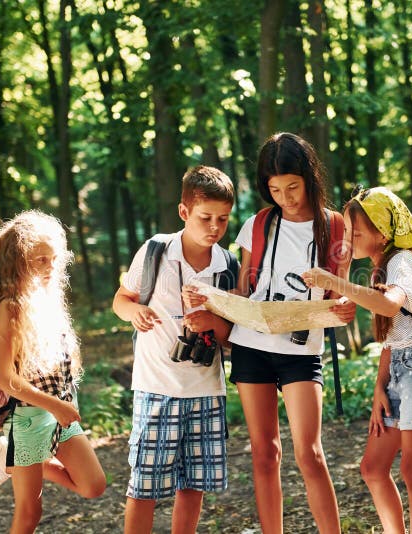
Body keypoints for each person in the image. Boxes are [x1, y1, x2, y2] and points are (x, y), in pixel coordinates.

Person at [302, 186, 412, 534]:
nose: (350, 238)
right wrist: (379, 388)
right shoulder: (380, 270)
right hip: (401, 364)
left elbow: (389, 305)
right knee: (372, 467)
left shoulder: (403, 262)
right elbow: (389, 338)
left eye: (357, 232)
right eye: (349, 231)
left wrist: (333, 282)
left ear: (383, 233)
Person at [227, 132, 355, 534]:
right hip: (252, 345)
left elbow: (342, 294)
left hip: (302, 349)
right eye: (275, 189)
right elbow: (245, 287)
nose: (285, 197)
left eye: (293, 187)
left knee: (309, 452)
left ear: (310, 178)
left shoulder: (335, 227)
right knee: (265, 453)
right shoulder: (259, 224)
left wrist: (346, 309)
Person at [112, 165, 236, 534]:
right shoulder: (155, 251)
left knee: (194, 485)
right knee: (144, 486)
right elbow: (122, 299)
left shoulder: (227, 265)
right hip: (155, 388)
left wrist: (210, 323)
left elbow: (233, 335)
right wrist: (135, 311)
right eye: (205, 217)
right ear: (184, 212)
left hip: (206, 390)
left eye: (223, 219)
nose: (214, 227)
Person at [0, 210, 106, 533]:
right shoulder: (11, 307)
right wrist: (56, 406)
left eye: (53, 259)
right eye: (39, 261)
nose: (49, 268)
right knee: (30, 513)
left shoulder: (47, 298)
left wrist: (64, 402)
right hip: (29, 420)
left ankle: (9, 460)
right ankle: (12, 456)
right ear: (17, 263)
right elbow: (5, 378)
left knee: (93, 485)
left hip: (57, 414)